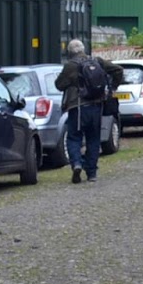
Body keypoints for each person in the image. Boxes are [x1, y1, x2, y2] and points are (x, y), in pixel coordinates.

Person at [55, 39, 122, 185]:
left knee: (74, 137)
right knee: (93, 139)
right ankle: (91, 173)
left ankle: (77, 164)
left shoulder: (70, 66)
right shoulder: (96, 61)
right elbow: (118, 70)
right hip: (96, 106)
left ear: (70, 52)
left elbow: (59, 85)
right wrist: (112, 88)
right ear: (84, 49)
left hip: (77, 107)